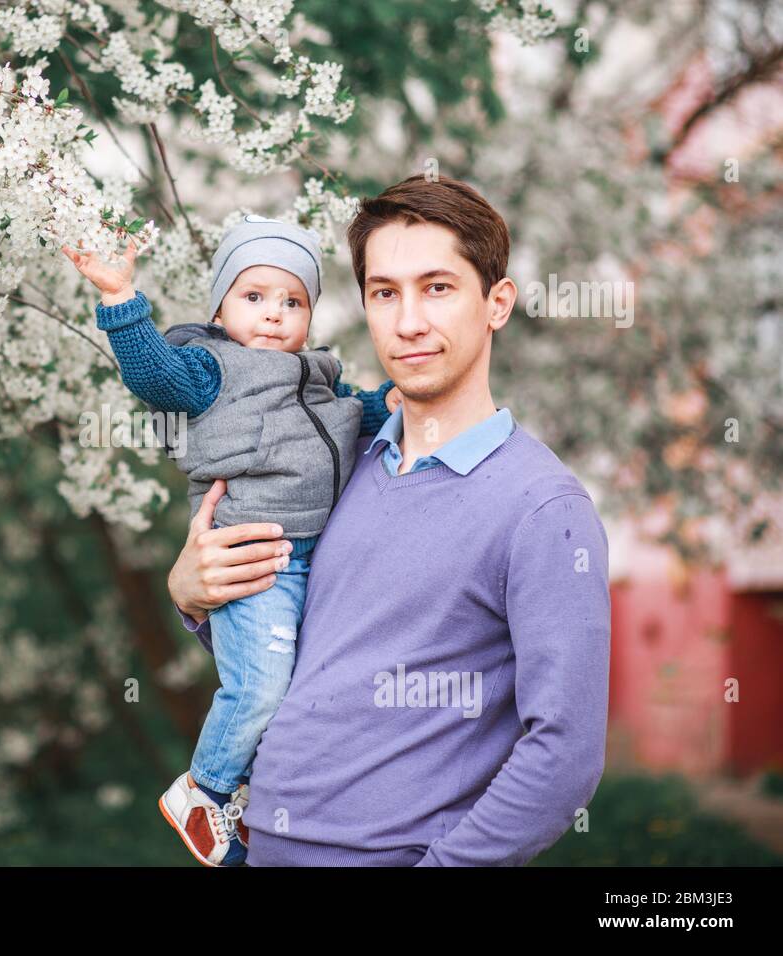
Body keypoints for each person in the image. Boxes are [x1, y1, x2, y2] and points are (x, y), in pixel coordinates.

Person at [165, 175, 612, 866]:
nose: (407, 322)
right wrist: (196, 598)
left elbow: (565, 756)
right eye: (384, 292)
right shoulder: (341, 468)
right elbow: (297, 667)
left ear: (496, 303)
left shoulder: (541, 509)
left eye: (437, 287)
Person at [62, 214, 400, 865]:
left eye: (292, 301)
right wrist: (118, 299)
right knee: (261, 685)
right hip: (251, 561)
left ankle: (244, 791)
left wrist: (402, 400)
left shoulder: (318, 376)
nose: (274, 315)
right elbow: (152, 376)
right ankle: (204, 789)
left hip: (309, 565)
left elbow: (361, 414)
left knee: (295, 692)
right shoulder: (213, 371)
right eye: (254, 297)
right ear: (220, 307)